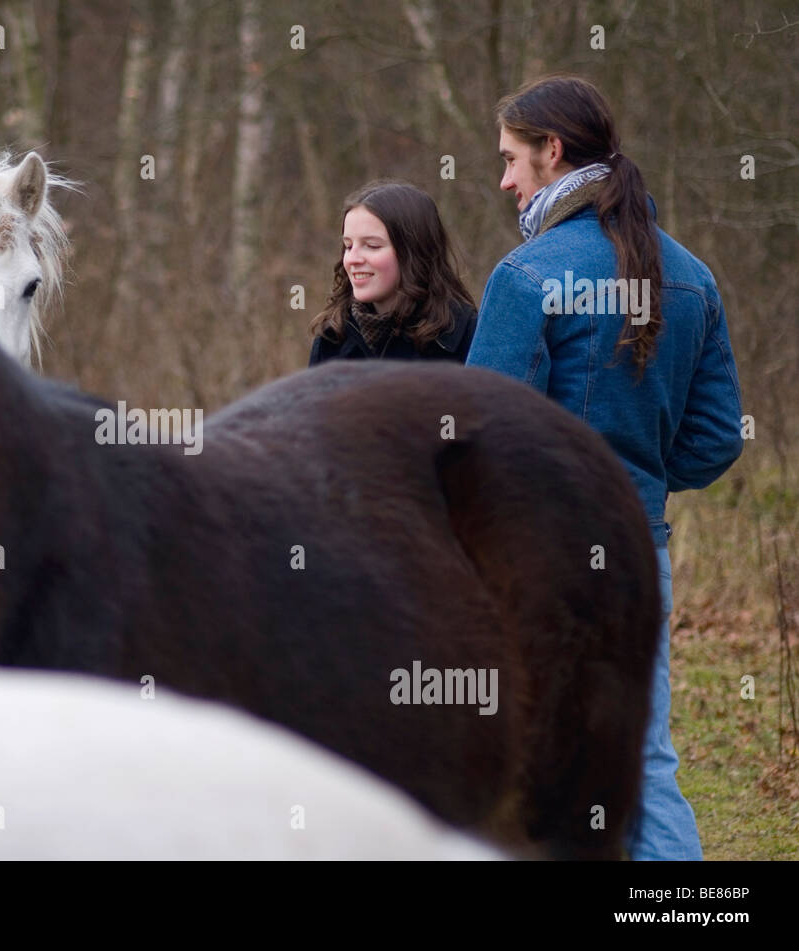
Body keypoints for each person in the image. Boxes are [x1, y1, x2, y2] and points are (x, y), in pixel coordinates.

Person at [467, 75, 744, 860]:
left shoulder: (524, 276)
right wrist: (642, 479)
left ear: (552, 152)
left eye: (512, 159)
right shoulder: (693, 275)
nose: (504, 180)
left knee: (537, 763)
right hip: (638, 548)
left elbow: (484, 435)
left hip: (540, 558)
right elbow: (719, 436)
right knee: (645, 761)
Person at [309, 182, 476, 365]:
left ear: (414, 251)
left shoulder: (465, 336)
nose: (352, 259)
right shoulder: (331, 340)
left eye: (372, 246)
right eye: (348, 246)